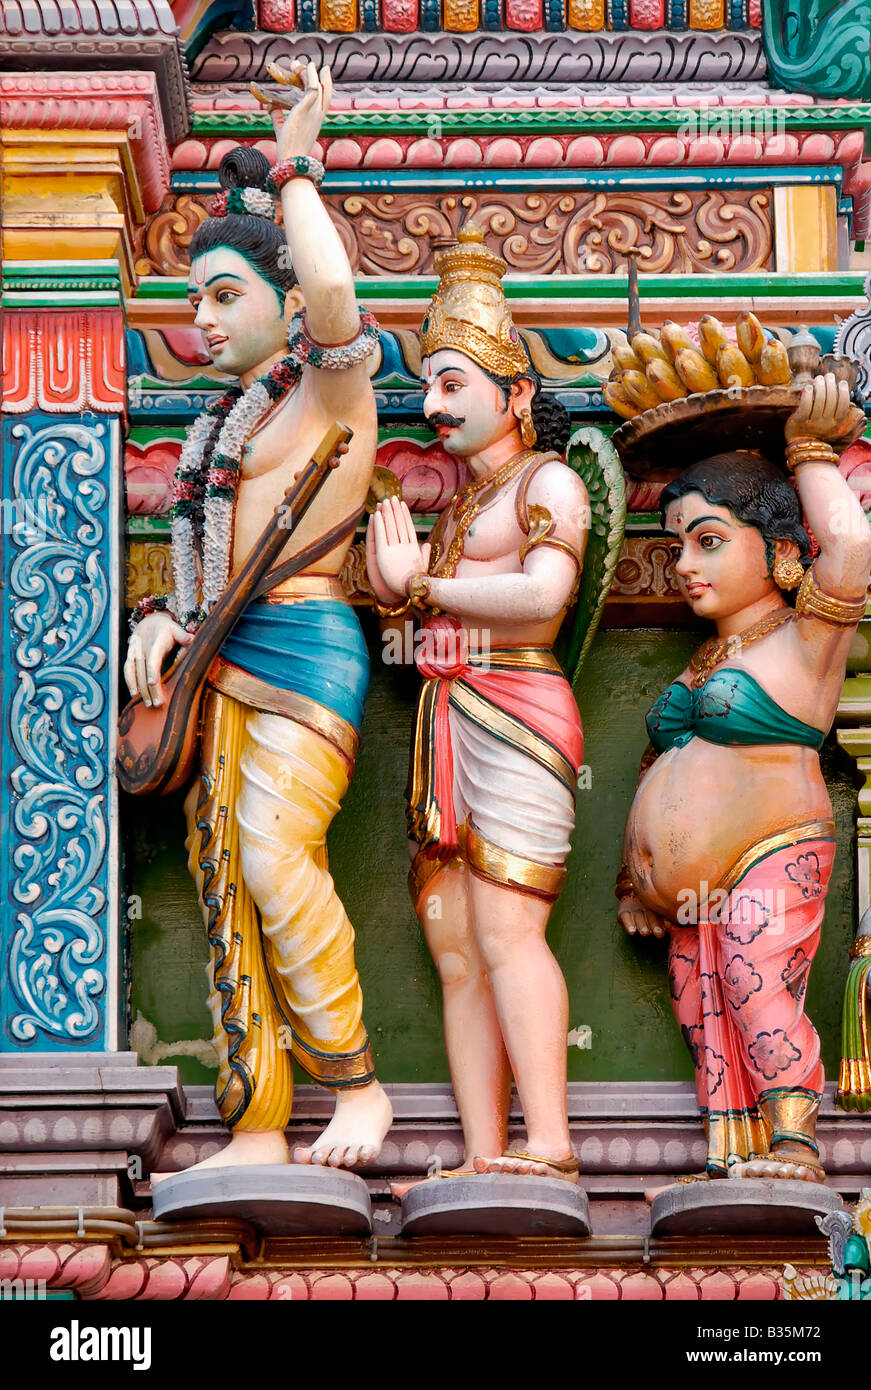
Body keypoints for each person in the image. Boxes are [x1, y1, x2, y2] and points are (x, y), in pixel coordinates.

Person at [124, 62, 392, 1172]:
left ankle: (360, 1089)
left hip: (304, 648)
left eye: (225, 294)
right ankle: (261, 1120)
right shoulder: (225, 425)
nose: (199, 321)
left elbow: (334, 302)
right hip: (219, 660)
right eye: (194, 299)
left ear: (282, 301)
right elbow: (201, 558)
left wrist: (297, 168)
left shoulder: (332, 390)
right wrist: (160, 617)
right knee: (227, 885)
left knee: (280, 865)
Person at [368, 224, 590, 1182]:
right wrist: (391, 586)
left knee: (507, 929)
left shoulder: (550, 483)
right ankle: (483, 1150)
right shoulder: (457, 511)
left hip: (520, 717)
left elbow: (542, 598)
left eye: (453, 383)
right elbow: (420, 611)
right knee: (455, 943)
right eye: (428, 385)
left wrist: (419, 589)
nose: (432, 405)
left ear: (518, 395)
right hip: (447, 724)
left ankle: (550, 1142)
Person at [617, 374, 871, 1182]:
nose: (684, 564)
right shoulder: (705, 662)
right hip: (684, 893)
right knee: (704, 1005)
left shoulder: (804, 642)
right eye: (677, 545)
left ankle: (794, 1141)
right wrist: (635, 881)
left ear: (784, 554)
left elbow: (855, 551)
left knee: (753, 978)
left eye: (709, 540)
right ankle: (734, 1154)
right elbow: (660, 764)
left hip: (773, 845)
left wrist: (808, 451)